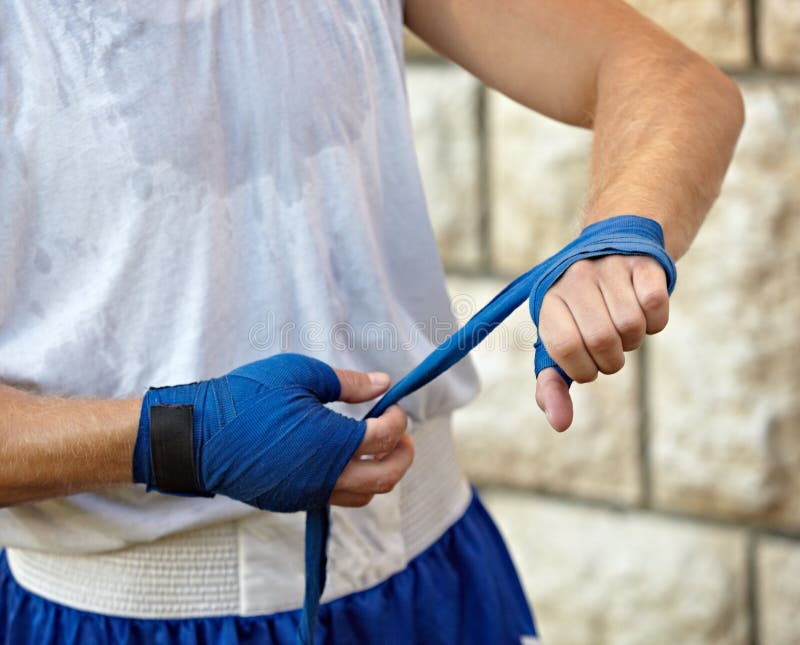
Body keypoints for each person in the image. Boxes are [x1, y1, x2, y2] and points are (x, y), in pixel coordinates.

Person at [0, 1, 743, 643]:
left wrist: (618, 236)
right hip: (127, 616)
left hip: (437, 576)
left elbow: (672, 83)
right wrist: (175, 438)